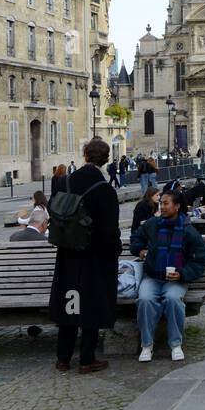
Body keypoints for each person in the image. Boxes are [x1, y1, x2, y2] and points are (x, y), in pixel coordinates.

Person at [49, 137, 121, 375]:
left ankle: (63, 358)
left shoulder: (64, 182)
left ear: (85, 155)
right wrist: (114, 252)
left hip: (67, 255)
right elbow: (110, 231)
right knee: (89, 305)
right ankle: (87, 359)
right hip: (94, 257)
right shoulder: (105, 190)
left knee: (70, 303)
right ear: (106, 159)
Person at [134, 189, 205, 363]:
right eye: (161, 203)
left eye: (166, 203)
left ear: (177, 206)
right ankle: (146, 345)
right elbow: (136, 237)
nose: (162, 207)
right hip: (152, 276)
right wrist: (140, 249)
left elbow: (200, 262)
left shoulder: (189, 232)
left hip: (176, 279)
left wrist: (182, 274)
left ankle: (175, 344)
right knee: (144, 300)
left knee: (173, 300)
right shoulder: (152, 224)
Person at [129, 186, 161, 255]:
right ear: (151, 196)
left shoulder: (155, 205)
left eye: (159, 195)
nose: (159, 197)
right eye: (157, 195)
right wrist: (154, 216)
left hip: (147, 231)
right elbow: (142, 222)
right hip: (138, 232)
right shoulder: (142, 205)